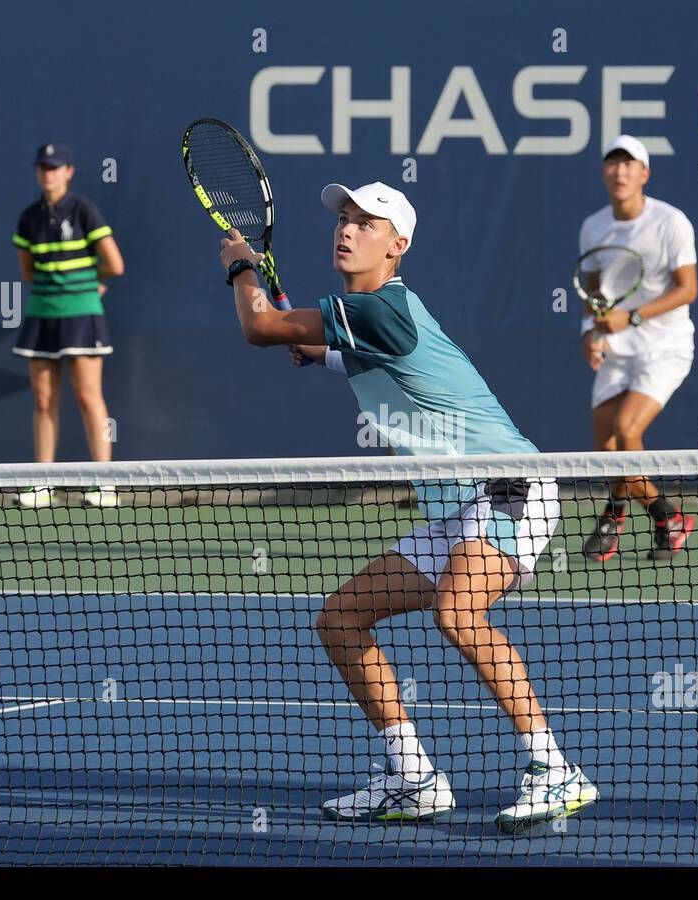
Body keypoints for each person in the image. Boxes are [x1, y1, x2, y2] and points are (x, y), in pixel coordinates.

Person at [219, 182, 598, 830]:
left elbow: (260, 326)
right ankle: (413, 776)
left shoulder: (381, 310)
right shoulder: (371, 317)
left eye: (367, 223)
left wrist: (240, 265)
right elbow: (363, 360)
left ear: (397, 246)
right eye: (344, 219)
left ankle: (555, 770)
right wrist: (320, 352)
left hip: (511, 486)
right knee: (340, 619)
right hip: (457, 508)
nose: (347, 230)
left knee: (457, 612)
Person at [579, 134, 698, 561]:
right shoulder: (593, 227)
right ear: (604, 172)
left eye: (629, 164)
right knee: (605, 447)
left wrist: (630, 317)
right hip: (616, 348)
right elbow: (592, 297)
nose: (620, 171)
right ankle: (620, 511)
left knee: (628, 430)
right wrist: (590, 334)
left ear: (644, 174)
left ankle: (663, 517)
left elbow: (688, 290)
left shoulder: (671, 222)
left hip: (665, 346)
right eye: (613, 163)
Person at [11, 143, 125, 508]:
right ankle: (43, 484)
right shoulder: (29, 218)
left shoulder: (83, 210)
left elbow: (114, 264)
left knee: (88, 396)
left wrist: (88, 282)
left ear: (69, 172)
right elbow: (28, 272)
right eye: (43, 167)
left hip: (81, 313)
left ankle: (104, 484)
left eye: (56, 167)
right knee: (44, 400)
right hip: (43, 314)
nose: (49, 173)